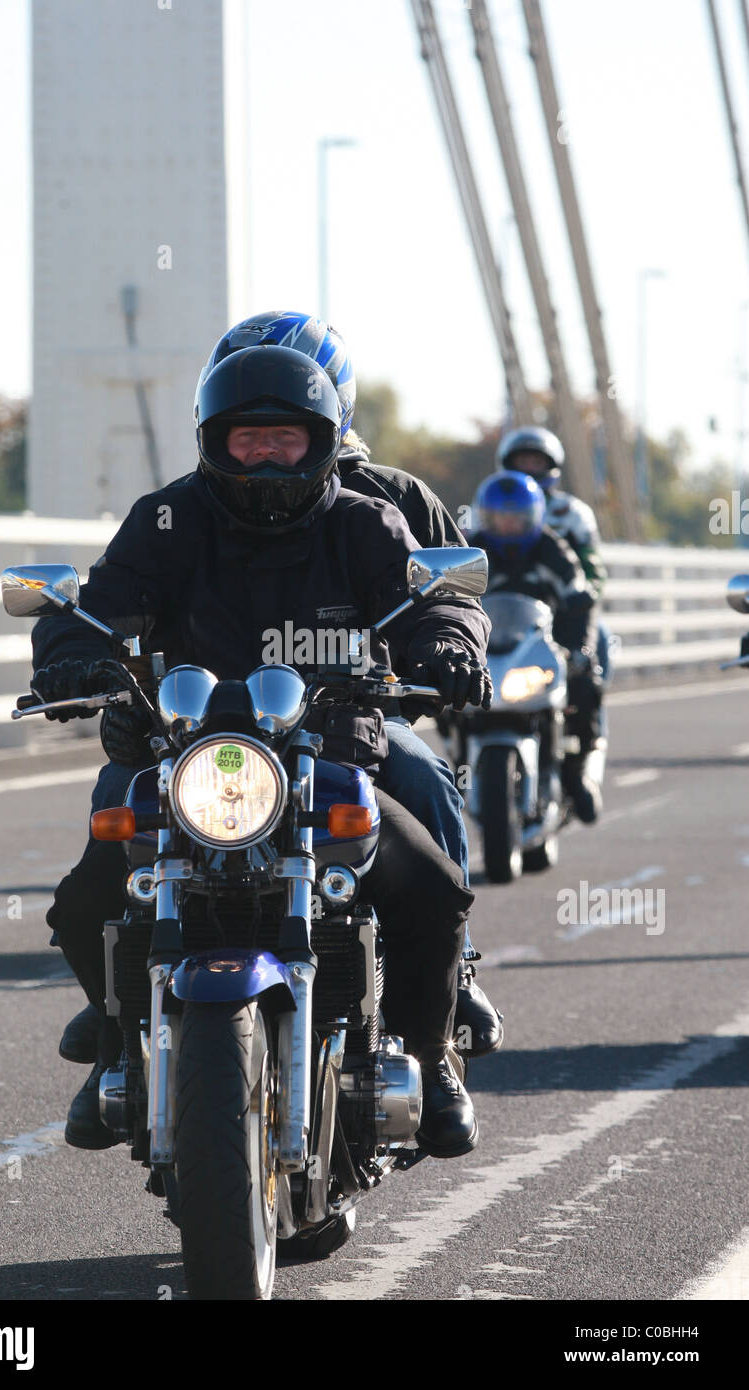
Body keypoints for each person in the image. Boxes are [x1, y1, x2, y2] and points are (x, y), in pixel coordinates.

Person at [32, 345, 493, 1159]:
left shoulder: (365, 520)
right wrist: (77, 654)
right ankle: (114, 1043)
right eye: (247, 438)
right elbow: (96, 606)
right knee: (85, 900)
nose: (266, 453)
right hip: (187, 759)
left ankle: (430, 1051)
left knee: (432, 887)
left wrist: (450, 646)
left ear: (322, 439)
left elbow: (428, 603)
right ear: (214, 439)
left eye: (285, 436)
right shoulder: (166, 519)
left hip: (329, 755)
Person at [467, 470, 603, 821]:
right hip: (485, 652)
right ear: (487, 516)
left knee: (587, 685)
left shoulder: (552, 548)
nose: (509, 525)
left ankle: (575, 772)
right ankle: (455, 761)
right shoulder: (471, 549)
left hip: (541, 651)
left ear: (535, 516)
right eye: (501, 517)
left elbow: (578, 600)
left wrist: (578, 650)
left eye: (518, 517)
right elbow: (449, 601)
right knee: (442, 693)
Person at [496, 425, 611, 682]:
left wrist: (585, 595)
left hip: (561, 610)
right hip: (502, 613)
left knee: (595, 649)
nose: (528, 468)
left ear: (550, 466)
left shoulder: (573, 511)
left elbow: (593, 567)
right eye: (522, 461)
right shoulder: (487, 505)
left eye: (535, 462)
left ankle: (591, 718)